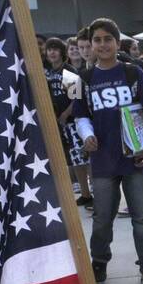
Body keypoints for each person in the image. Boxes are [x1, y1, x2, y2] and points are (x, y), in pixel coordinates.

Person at [72, 16, 143, 284]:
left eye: (107, 39)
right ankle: (99, 262)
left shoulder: (134, 72)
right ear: (90, 45)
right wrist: (87, 135)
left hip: (136, 159)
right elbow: (80, 116)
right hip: (102, 161)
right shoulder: (83, 79)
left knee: (142, 217)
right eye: (97, 40)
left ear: (117, 42)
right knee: (102, 218)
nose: (102, 45)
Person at [43, 38, 92, 208]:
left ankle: (94, 193)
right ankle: (85, 194)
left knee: (84, 158)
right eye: (49, 49)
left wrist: (65, 115)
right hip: (60, 124)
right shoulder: (48, 72)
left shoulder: (68, 71)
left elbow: (76, 97)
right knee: (74, 159)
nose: (52, 52)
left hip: (73, 121)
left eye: (55, 49)